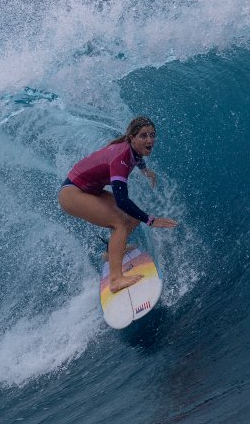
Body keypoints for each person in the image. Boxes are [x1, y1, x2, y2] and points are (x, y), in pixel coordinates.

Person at [58, 116, 178, 293]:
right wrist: (151, 220)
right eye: (144, 136)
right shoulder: (121, 158)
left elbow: (137, 158)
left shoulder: (132, 150)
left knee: (133, 218)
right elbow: (122, 200)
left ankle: (111, 253)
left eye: (152, 135)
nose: (150, 140)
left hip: (90, 190)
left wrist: (145, 170)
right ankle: (116, 280)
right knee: (120, 222)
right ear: (132, 138)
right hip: (72, 193)